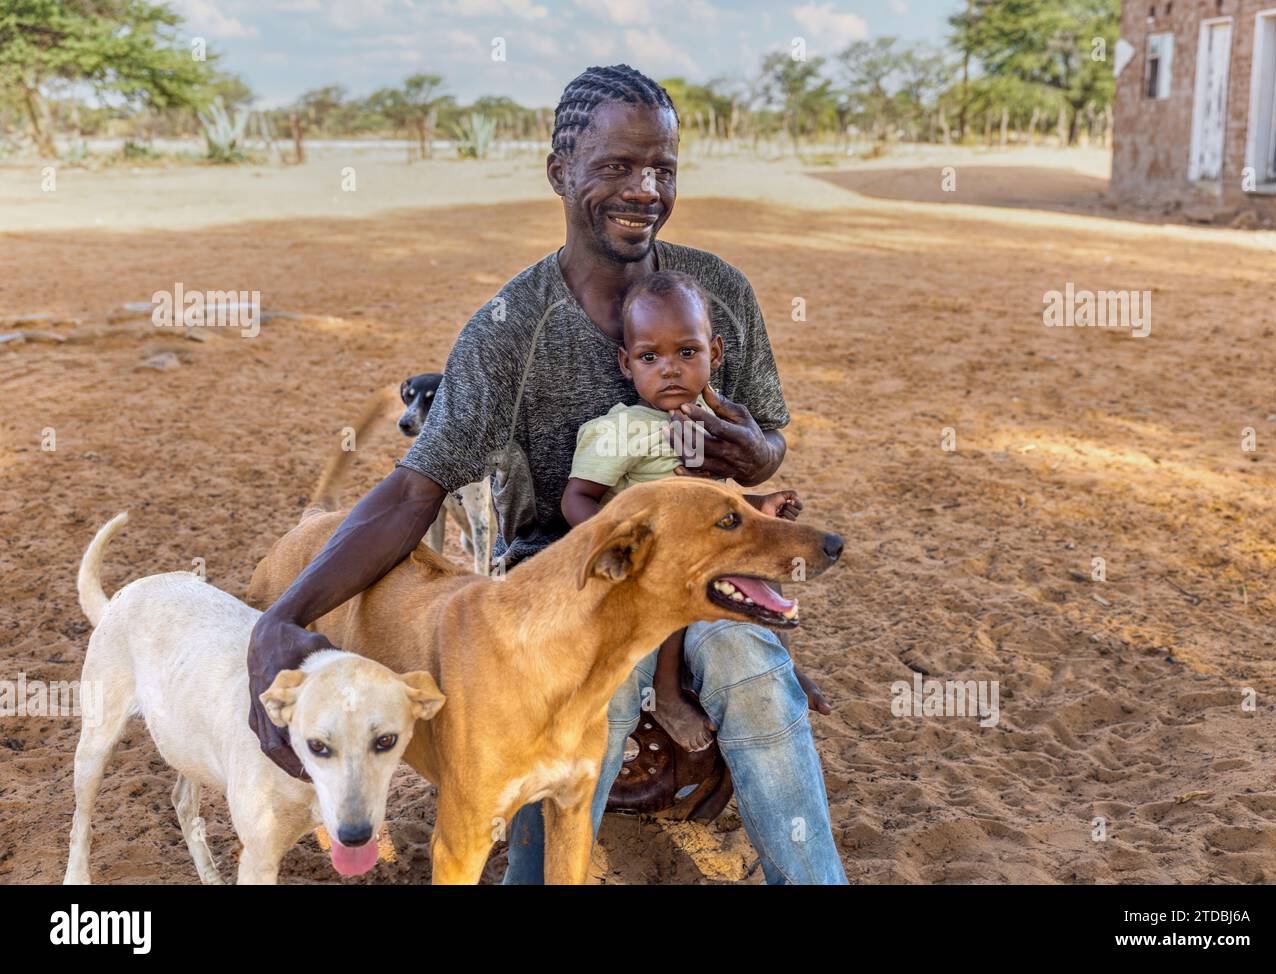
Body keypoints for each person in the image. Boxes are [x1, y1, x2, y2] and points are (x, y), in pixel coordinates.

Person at [246, 63, 847, 884]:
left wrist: (764, 455)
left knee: (752, 673)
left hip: (686, 572)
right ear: (560, 170)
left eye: (663, 169)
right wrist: (283, 615)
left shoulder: (717, 295)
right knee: (570, 693)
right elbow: (413, 489)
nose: (644, 189)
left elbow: (765, 435)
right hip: (554, 586)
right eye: (616, 166)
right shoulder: (508, 328)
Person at [562, 269, 822, 753]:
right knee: (674, 587)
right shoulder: (623, 431)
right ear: (626, 364)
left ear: (714, 354)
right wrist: (619, 544)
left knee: (764, 561)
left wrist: (759, 506)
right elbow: (576, 496)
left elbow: (714, 499)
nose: (670, 369)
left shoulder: (714, 424)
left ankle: (784, 667)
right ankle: (664, 692)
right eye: (649, 357)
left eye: (687, 352)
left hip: (704, 544)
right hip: (646, 555)